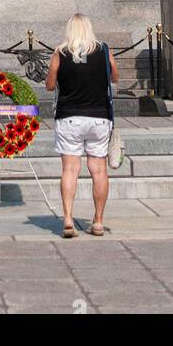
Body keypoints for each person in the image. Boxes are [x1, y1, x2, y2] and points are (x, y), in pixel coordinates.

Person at [45, 13, 118, 239]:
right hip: (98, 117)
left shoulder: (60, 53)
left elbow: (50, 85)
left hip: (69, 117)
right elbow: (115, 77)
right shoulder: (103, 51)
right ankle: (98, 221)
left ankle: (68, 219)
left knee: (70, 170)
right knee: (99, 170)